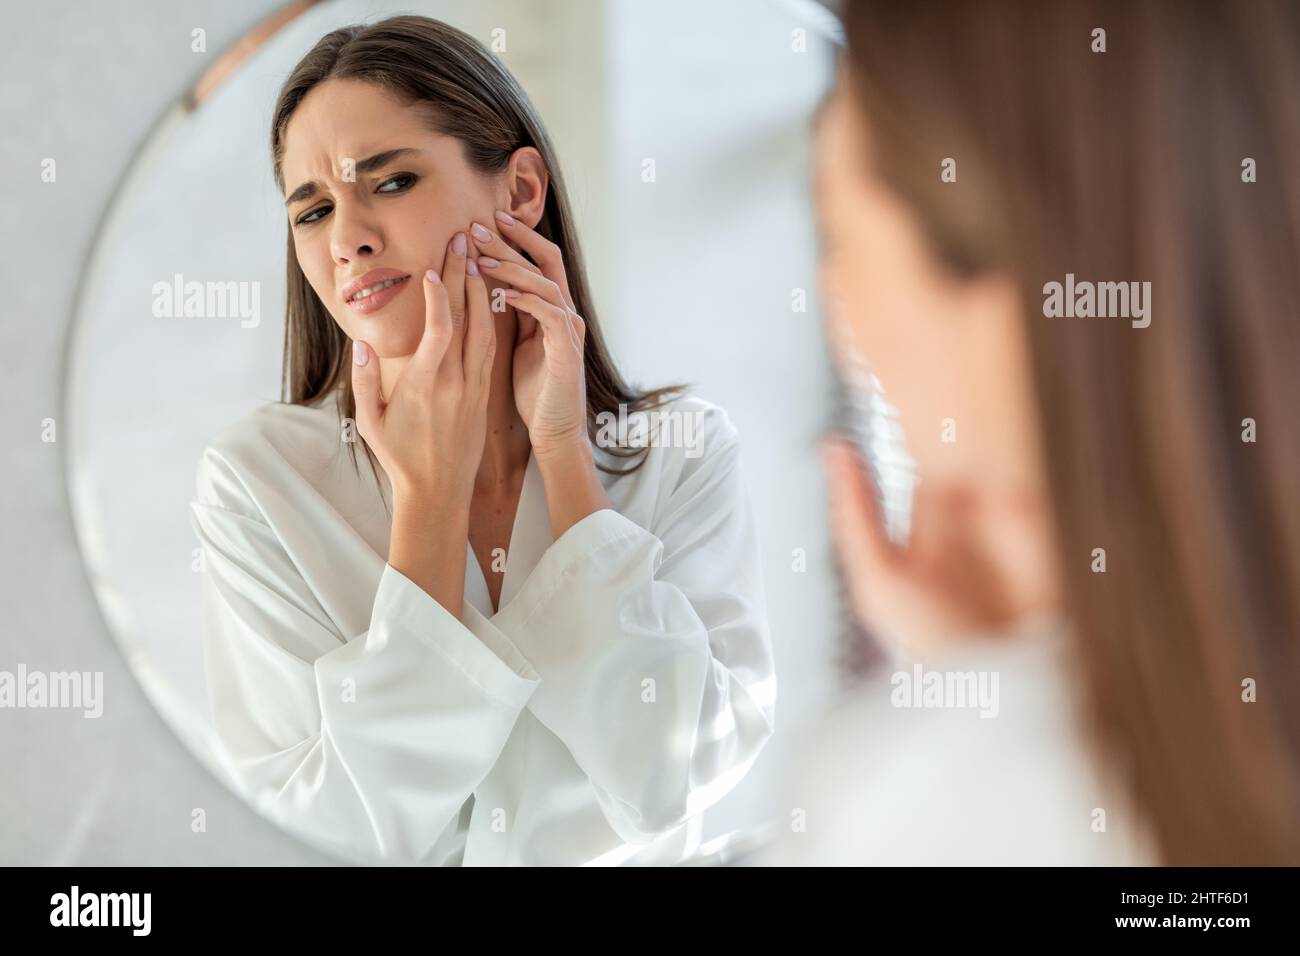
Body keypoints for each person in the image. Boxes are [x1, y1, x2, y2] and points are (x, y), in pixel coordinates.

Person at [190, 15, 775, 866]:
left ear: (521, 191)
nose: (347, 237)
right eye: (312, 209)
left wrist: (566, 455)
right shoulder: (260, 483)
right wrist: (428, 504)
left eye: (390, 182)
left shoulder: (680, 455)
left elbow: (669, 782)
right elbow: (326, 837)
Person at [776, 0, 1300, 865]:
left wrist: (975, 709)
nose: (838, 313)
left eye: (835, 238)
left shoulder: (925, 809)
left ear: (1004, 281)